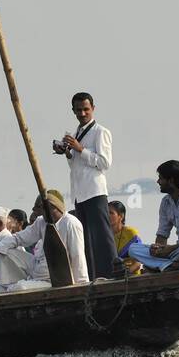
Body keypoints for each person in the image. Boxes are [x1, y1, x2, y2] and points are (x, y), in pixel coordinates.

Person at [53, 92, 116, 280]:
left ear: (93, 109)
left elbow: (104, 163)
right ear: (73, 111)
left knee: (102, 236)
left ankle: (112, 274)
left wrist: (80, 149)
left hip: (95, 191)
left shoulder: (100, 132)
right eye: (78, 110)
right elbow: (75, 164)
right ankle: (94, 275)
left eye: (86, 109)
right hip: (79, 193)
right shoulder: (75, 133)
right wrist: (67, 152)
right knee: (86, 238)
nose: (82, 113)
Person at [0, 190, 88, 289]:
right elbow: (19, 238)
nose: (40, 215)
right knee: (6, 250)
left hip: (55, 280)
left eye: (42, 210)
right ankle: (8, 284)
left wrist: (81, 286)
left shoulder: (71, 224)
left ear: (52, 208)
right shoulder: (41, 221)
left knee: (20, 288)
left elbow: (77, 256)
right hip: (37, 268)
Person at [108, 200, 143, 275]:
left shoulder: (131, 233)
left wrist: (125, 273)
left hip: (131, 277)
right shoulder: (105, 235)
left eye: (111, 213)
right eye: (106, 213)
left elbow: (138, 262)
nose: (108, 215)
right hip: (111, 277)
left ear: (121, 216)